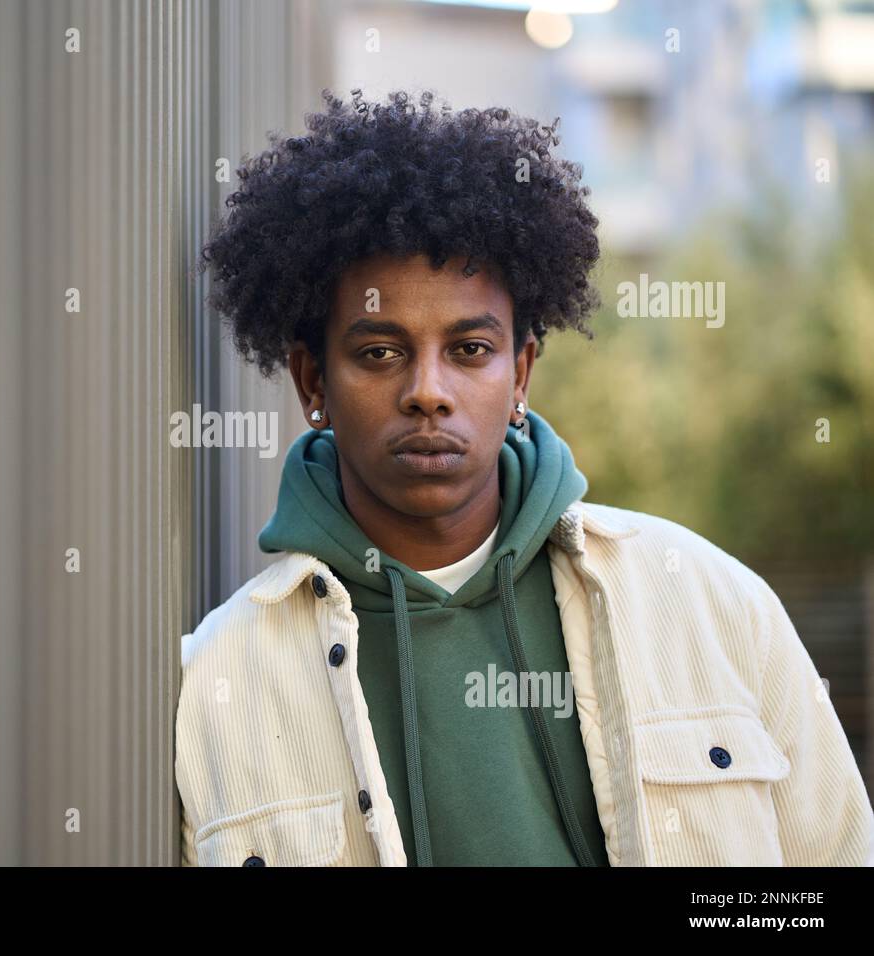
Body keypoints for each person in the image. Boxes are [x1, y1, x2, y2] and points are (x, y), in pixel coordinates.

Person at [174, 88, 874, 866]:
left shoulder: (710, 603)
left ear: (522, 373)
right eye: (380, 352)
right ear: (312, 383)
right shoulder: (217, 684)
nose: (428, 390)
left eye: (470, 349)